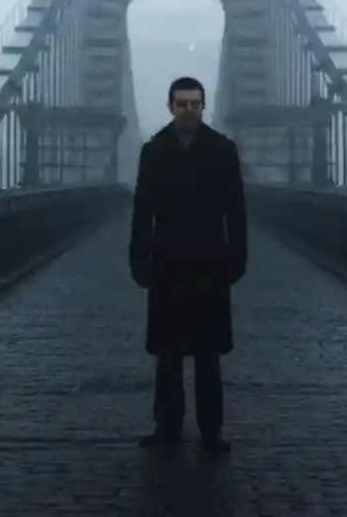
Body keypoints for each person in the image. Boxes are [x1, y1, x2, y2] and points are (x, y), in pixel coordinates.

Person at [129, 76, 247, 455]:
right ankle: (168, 425)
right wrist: (139, 258)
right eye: (182, 104)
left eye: (194, 104)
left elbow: (237, 210)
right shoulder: (153, 151)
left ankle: (211, 430)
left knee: (207, 355)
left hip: (210, 262)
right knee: (168, 354)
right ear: (170, 107)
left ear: (203, 105)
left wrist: (237, 258)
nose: (188, 110)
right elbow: (141, 210)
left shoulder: (223, 150)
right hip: (167, 262)